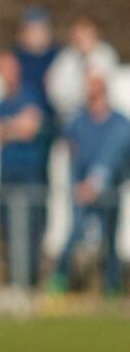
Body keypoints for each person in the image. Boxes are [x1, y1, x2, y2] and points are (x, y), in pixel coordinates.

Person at [0, 49, 54, 291]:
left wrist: (9, 129)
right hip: (7, 174)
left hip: (31, 174)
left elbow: (30, 129)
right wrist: (17, 126)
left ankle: (31, 280)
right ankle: (14, 278)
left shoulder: (31, 95)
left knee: (32, 227)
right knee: (6, 226)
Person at [59, 70, 130, 295]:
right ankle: (61, 279)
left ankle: (112, 286)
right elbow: (71, 150)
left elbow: (115, 155)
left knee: (110, 239)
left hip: (109, 190)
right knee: (75, 234)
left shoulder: (119, 123)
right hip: (81, 191)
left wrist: (96, 183)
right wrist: (78, 185)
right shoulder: (79, 121)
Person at [45, 17, 119, 123]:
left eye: (86, 34)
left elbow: (101, 89)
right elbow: (56, 93)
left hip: (103, 118)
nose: (82, 39)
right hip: (70, 117)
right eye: (79, 35)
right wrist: (82, 93)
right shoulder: (64, 58)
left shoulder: (106, 55)